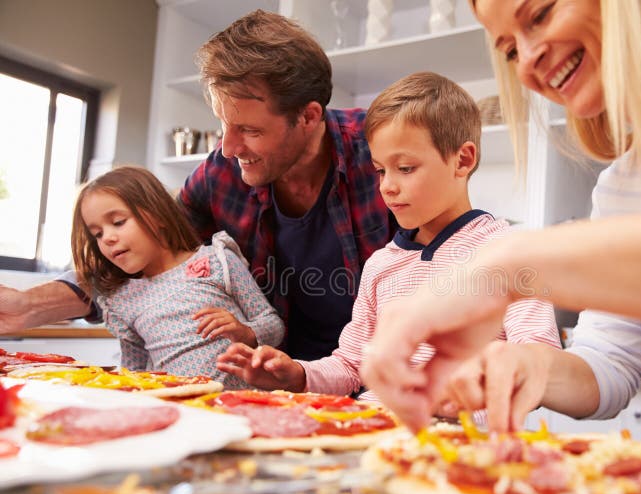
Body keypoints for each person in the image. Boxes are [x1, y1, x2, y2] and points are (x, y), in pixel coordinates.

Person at [360, 0, 641, 470]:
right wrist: (528, 365)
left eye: (541, 14)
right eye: (509, 50)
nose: (527, 60)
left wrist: (507, 266)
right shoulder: (624, 187)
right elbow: (608, 364)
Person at [0, 10, 395, 362]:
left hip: (381, 374)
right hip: (277, 379)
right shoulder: (220, 174)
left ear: (308, 116)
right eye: (224, 124)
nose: (229, 146)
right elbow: (145, 244)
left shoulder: (383, 150)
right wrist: (27, 306)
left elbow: (446, 261)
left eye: (249, 130)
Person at [216, 72, 560, 402]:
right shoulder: (382, 264)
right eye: (380, 170)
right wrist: (298, 375)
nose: (387, 186)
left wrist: (472, 381)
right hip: (375, 429)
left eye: (405, 168)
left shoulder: (511, 252)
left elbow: (537, 355)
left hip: (461, 442)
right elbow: (351, 366)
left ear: (462, 160)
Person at [71, 166, 284, 389]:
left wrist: (245, 333)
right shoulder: (122, 299)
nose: (108, 238)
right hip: (181, 410)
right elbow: (134, 375)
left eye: (118, 222)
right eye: (98, 234)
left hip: (241, 406)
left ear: (158, 215)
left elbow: (273, 325)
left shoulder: (217, 261)